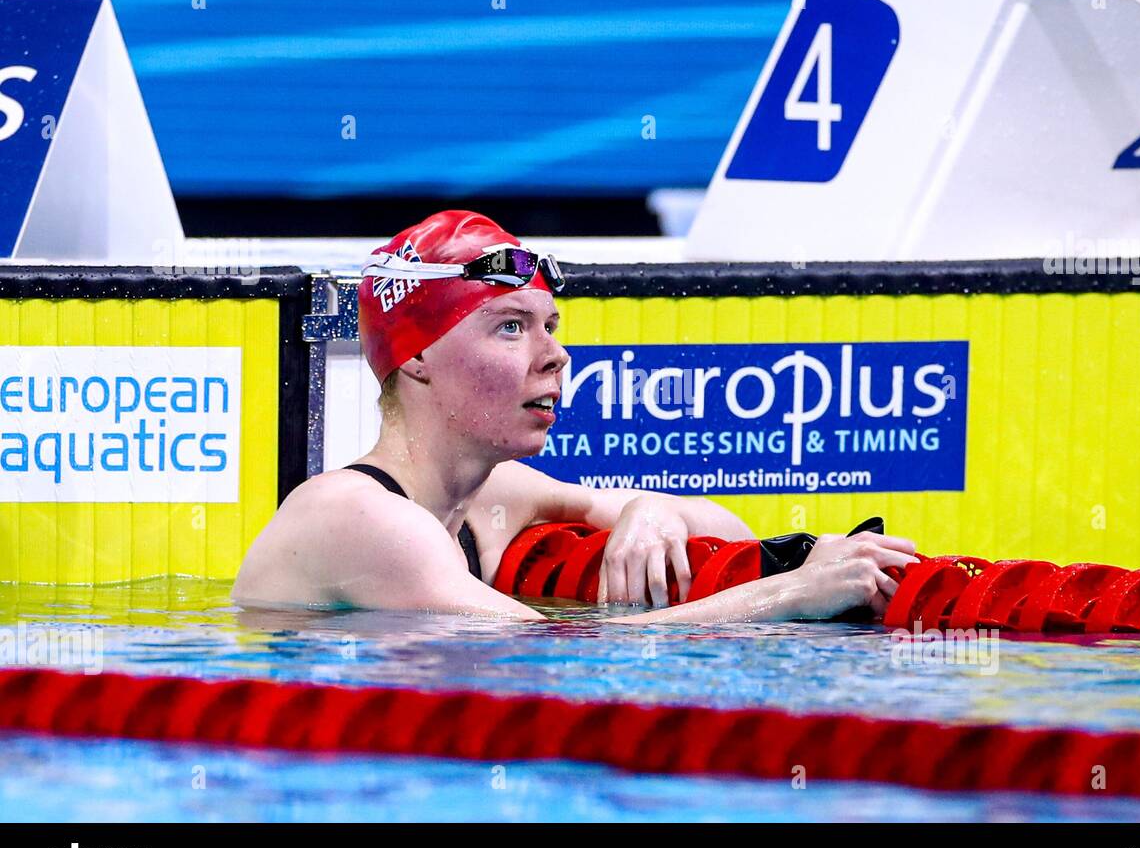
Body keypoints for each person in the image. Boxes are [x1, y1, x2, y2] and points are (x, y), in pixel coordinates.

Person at [232, 210, 919, 622]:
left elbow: (735, 534)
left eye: (551, 325)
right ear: (416, 358)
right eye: (510, 328)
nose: (555, 355)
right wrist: (792, 594)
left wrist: (653, 507)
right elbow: (554, 655)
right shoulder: (359, 519)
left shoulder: (489, 496)